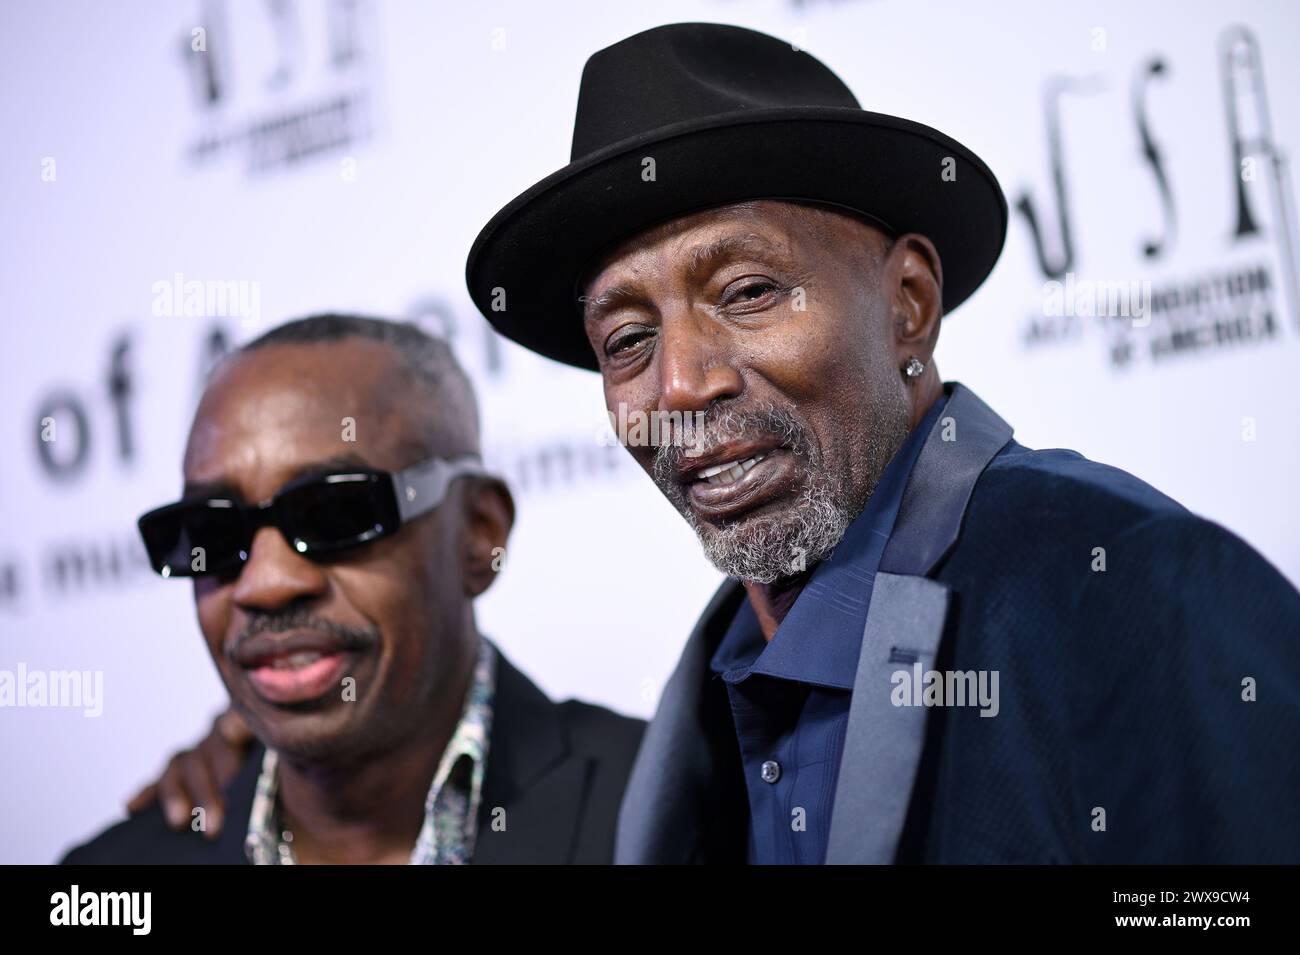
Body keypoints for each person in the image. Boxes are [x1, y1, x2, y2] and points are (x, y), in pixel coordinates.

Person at [461, 23, 1300, 863]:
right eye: (628, 341)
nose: (679, 385)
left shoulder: (1136, 594)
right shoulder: (700, 714)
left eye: (747, 291)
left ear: (908, 302)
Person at [62, 315, 643, 864]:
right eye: (211, 532)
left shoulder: (675, 807)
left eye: (335, 512)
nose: (265, 584)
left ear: (477, 532)